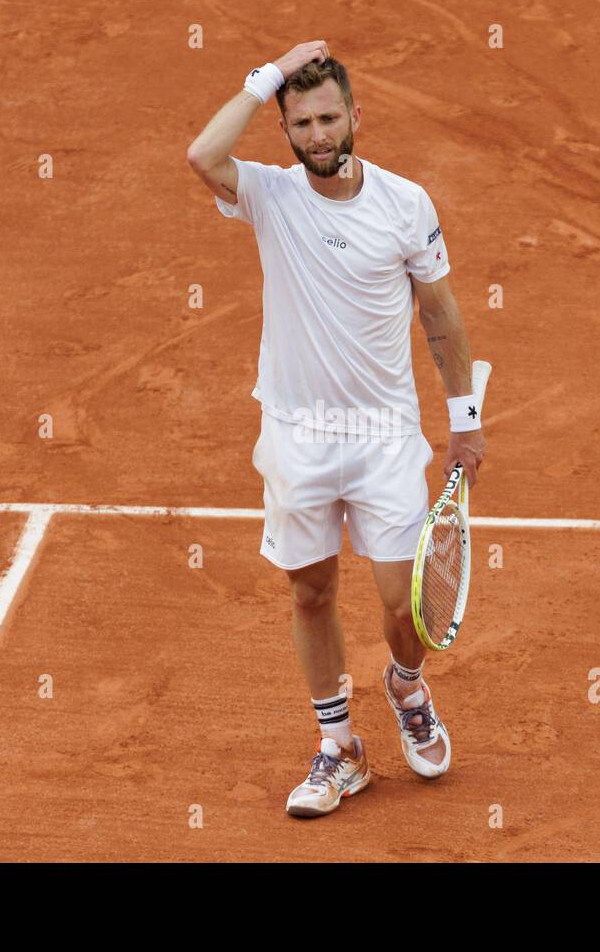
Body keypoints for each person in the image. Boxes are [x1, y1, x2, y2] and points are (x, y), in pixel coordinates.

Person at [187, 40, 486, 817]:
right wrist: (266, 77)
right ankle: (339, 746)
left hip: (385, 436)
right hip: (297, 435)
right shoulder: (270, 195)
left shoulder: (404, 204)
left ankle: (407, 686)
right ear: (284, 129)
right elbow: (202, 152)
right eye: (301, 123)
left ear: (356, 117)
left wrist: (465, 421)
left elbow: (442, 317)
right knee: (311, 590)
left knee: (404, 603)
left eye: (328, 118)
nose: (317, 135)